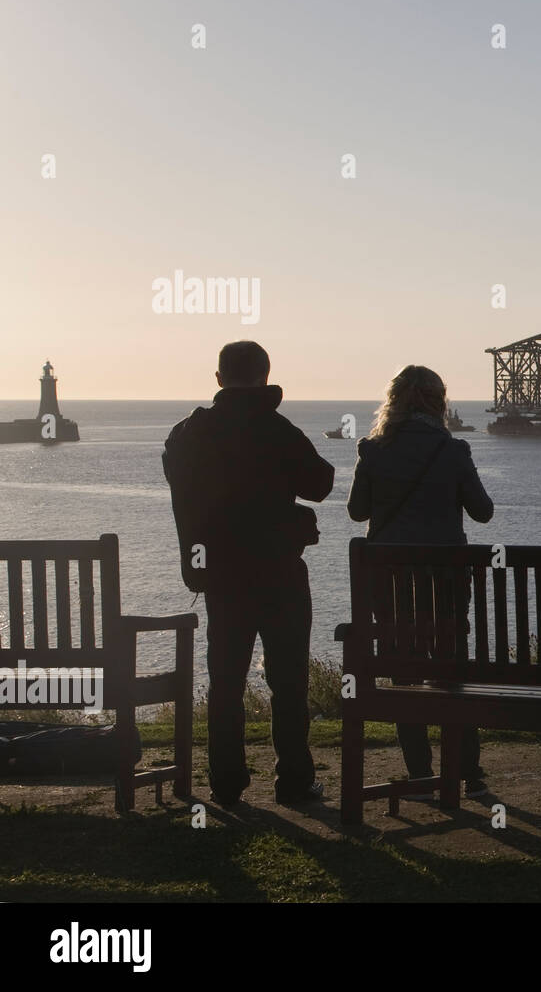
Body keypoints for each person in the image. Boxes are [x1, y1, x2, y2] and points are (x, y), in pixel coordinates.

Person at [162, 341, 334, 808]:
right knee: (289, 678)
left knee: (226, 680)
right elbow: (321, 483)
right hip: (278, 570)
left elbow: (179, 478)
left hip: (222, 574)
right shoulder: (277, 429)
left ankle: (226, 783)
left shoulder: (189, 434)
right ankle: (294, 781)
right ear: (265, 376)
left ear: (218, 378)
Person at [346, 365, 494, 797]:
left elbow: (357, 512)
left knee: (404, 671)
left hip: (390, 589)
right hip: (445, 587)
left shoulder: (372, 450)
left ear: (394, 401)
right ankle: (470, 772)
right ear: (438, 402)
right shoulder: (454, 450)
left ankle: (419, 774)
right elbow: (483, 511)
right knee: (450, 670)